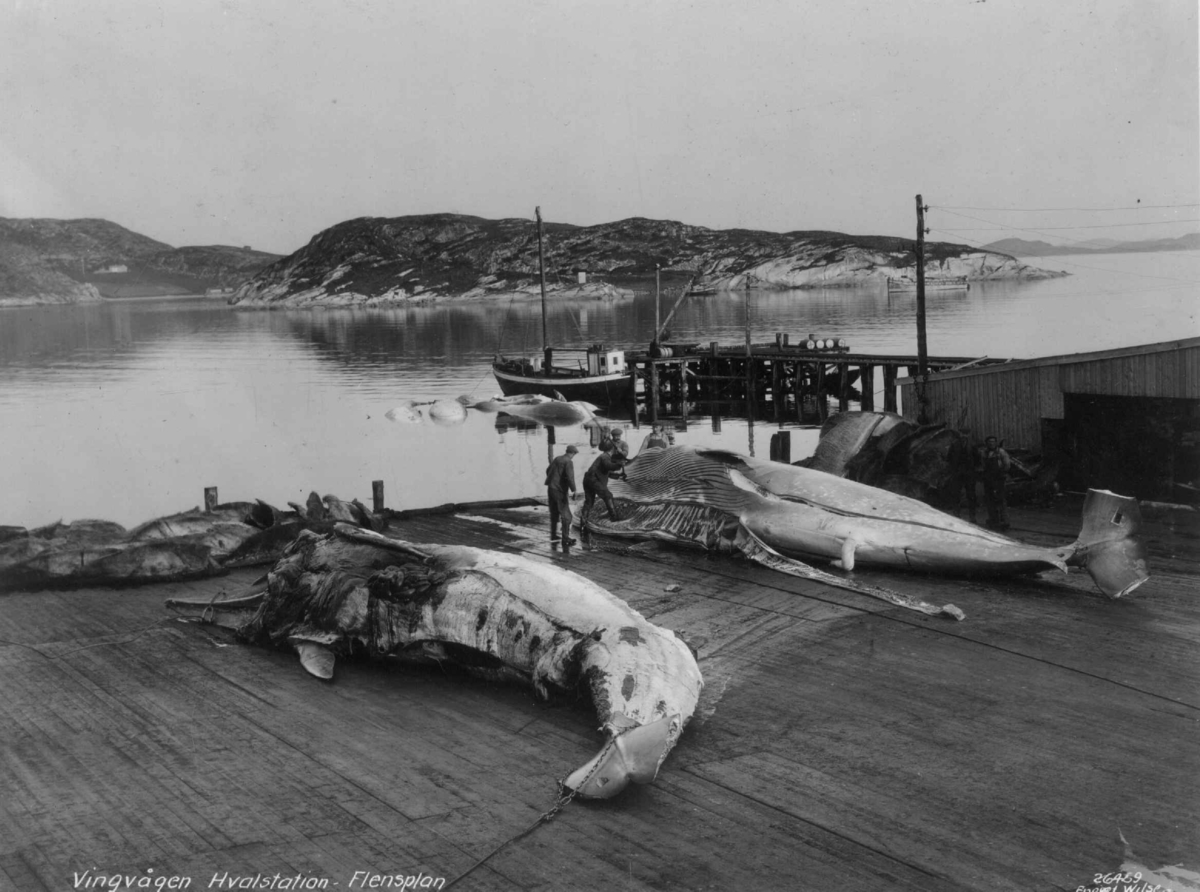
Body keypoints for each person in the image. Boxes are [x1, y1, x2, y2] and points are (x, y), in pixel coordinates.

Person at [582, 444, 627, 530]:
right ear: (612, 450)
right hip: (594, 480)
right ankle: (614, 518)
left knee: (589, 502)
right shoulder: (605, 457)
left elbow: (607, 472)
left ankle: (583, 525)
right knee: (608, 495)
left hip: (587, 479)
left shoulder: (602, 457)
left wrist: (619, 475)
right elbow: (608, 466)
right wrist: (619, 465)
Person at [545, 445, 578, 546]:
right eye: (574, 454)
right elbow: (570, 477)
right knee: (566, 515)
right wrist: (574, 490)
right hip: (559, 491)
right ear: (572, 453)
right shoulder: (568, 462)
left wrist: (554, 480)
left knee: (554, 513)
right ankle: (565, 539)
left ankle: (554, 535)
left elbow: (548, 470)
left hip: (551, 488)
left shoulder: (557, 458)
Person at [946, 430, 980, 524]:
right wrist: (953, 469)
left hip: (969, 474)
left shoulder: (972, 445)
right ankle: (956, 514)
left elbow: (977, 459)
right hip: (957, 474)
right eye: (962, 433)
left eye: (966, 433)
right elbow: (948, 458)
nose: (964, 435)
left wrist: (973, 469)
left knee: (971, 496)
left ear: (969, 434)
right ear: (959, 434)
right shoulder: (954, 445)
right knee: (956, 494)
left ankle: (972, 517)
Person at [981, 435, 1012, 530]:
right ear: (986, 443)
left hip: (998, 479)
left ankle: (1004, 521)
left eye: (993, 441)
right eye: (989, 442)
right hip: (988, 479)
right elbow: (982, 465)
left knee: (1000, 500)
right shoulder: (984, 453)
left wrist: (1001, 474)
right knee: (990, 500)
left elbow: (1007, 465)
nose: (991, 443)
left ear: (996, 443)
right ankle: (993, 520)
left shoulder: (1001, 452)